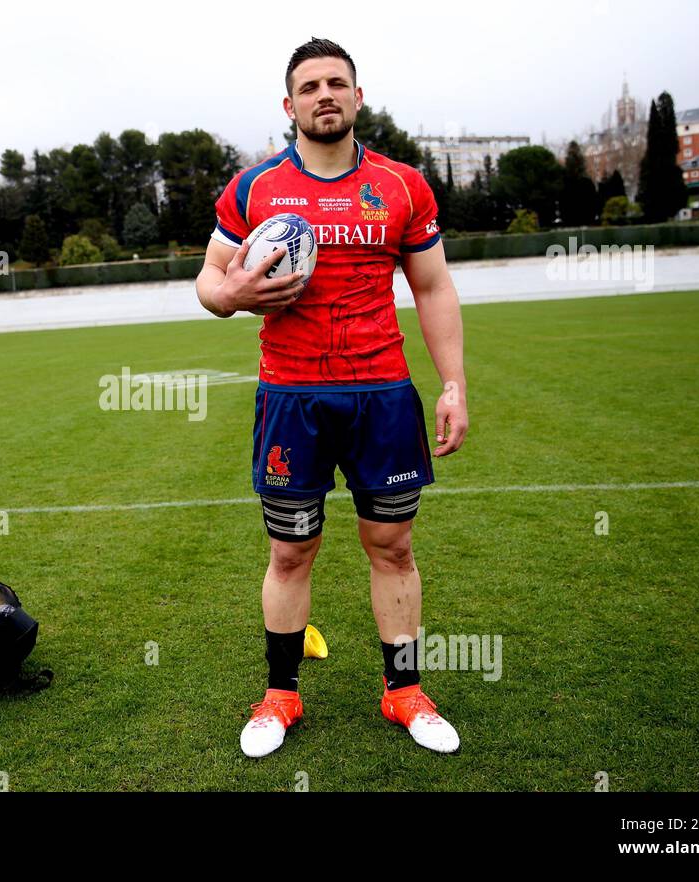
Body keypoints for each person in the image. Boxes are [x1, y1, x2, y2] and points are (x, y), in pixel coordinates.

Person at [195, 37, 469, 758]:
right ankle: (280, 695)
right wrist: (233, 292)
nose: (324, 94)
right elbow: (209, 281)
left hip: (382, 395)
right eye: (310, 86)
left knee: (394, 545)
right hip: (294, 396)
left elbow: (434, 287)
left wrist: (453, 386)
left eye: (336, 83)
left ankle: (404, 691)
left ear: (357, 97)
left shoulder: (402, 185)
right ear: (290, 105)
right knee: (290, 551)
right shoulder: (253, 189)